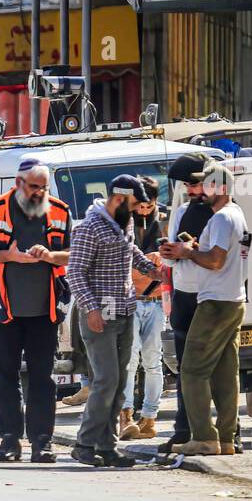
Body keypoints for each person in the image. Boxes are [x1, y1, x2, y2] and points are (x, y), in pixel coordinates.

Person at [0, 160, 71, 463]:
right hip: (3, 311)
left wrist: (50, 255)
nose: (39, 192)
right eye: (34, 186)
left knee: (43, 379)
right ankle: (10, 441)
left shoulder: (60, 212)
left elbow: (74, 254)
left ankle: (42, 443)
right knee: (5, 378)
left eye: (44, 187)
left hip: (45, 311)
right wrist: (8, 255)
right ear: (18, 183)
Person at [67, 175, 160, 467]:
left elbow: (130, 251)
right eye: (132, 204)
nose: (136, 211)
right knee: (106, 380)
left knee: (119, 382)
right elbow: (75, 272)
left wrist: (151, 269)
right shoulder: (89, 227)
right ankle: (84, 444)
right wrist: (91, 309)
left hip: (125, 310)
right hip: (100, 314)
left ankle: (107, 446)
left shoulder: (124, 222)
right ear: (118, 198)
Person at [158, 163, 247, 455]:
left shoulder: (221, 218)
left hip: (214, 302)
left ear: (221, 188)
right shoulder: (236, 214)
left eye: (207, 185)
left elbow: (215, 261)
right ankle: (227, 439)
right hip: (234, 299)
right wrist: (191, 250)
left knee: (192, 371)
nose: (200, 191)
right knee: (225, 373)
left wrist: (187, 252)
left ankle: (204, 438)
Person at [158, 154, 218, 453]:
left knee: (216, 367)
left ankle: (225, 432)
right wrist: (170, 253)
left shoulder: (221, 213)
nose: (191, 191)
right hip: (184, 293)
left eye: (195, 185)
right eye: (187, 186)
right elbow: (172, 255)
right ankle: (184, 429)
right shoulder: (181, 211)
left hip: (212, 294)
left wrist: (189, 251)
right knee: (184, 368)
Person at [120, 175, 166, 440]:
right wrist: (145, 265)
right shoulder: (124, 223)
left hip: (156, 301)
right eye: (141, 206)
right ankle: (125, 416)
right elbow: (123, 264)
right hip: (131, 300)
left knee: (153, 361)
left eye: (150, 206)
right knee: (129, 359)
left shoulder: (165, 222)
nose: (145, 211)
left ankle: (149, 417)